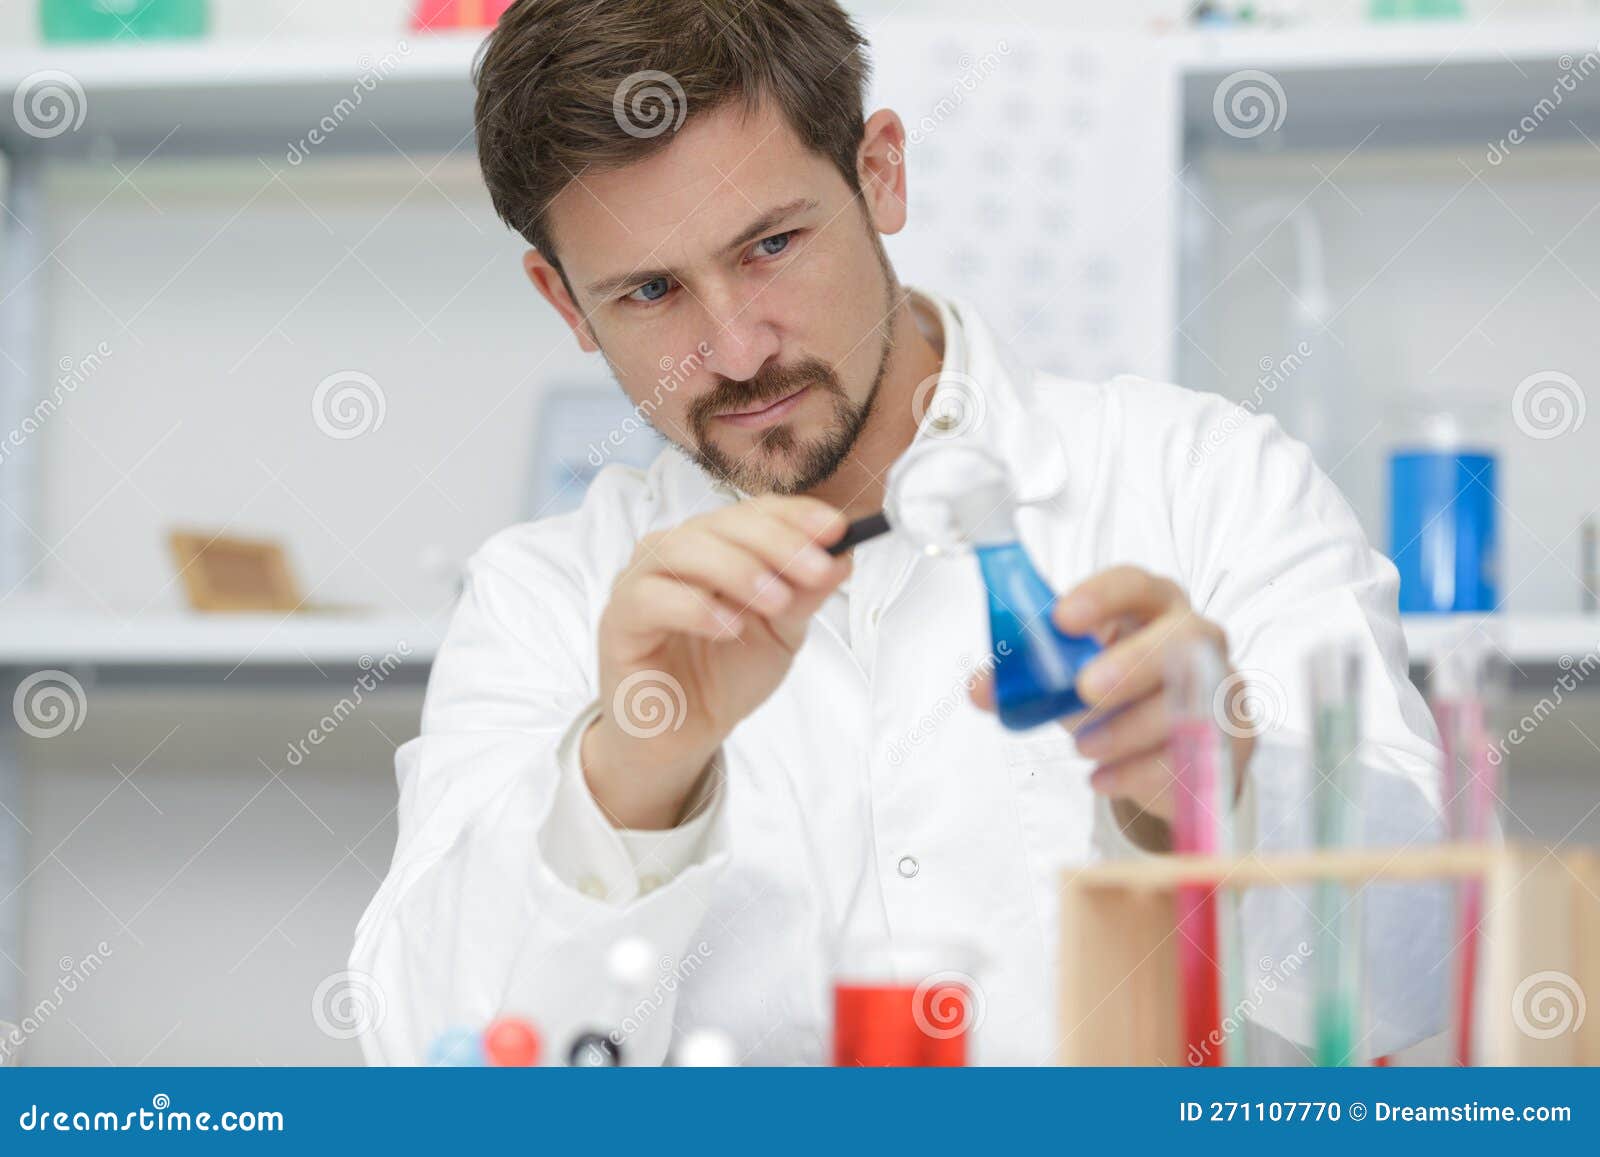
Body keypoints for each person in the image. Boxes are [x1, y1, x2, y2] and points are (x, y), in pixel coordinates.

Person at [352, 0, 1445, 1065]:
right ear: (562, 301)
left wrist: (1226, 781)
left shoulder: (1205, 481)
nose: (734, 350)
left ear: (880, 172)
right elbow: (427, 1061)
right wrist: (631, 779)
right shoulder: (541, 599)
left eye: (772, 243)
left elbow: (1416, 985)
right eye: (648, 291)